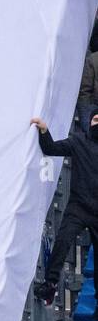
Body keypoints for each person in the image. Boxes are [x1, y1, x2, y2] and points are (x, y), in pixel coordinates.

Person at [31, 113, 98, 304]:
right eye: (95, 120)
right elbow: (51, 148)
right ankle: (50, 285)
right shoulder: (79, 141)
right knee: (62, 242)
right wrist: (44, 130)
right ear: (89, 123)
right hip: (79, 206)